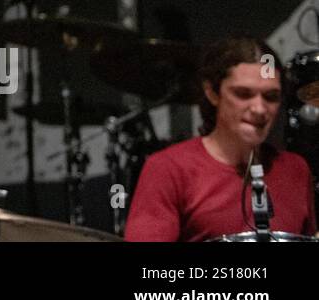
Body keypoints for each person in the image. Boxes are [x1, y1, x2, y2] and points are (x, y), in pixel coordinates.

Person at [125, 36, 317, 241]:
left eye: (271, 97)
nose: (260, 109)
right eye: (243, 94)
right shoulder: (168, 169)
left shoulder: (296, 169)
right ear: (212, 92)